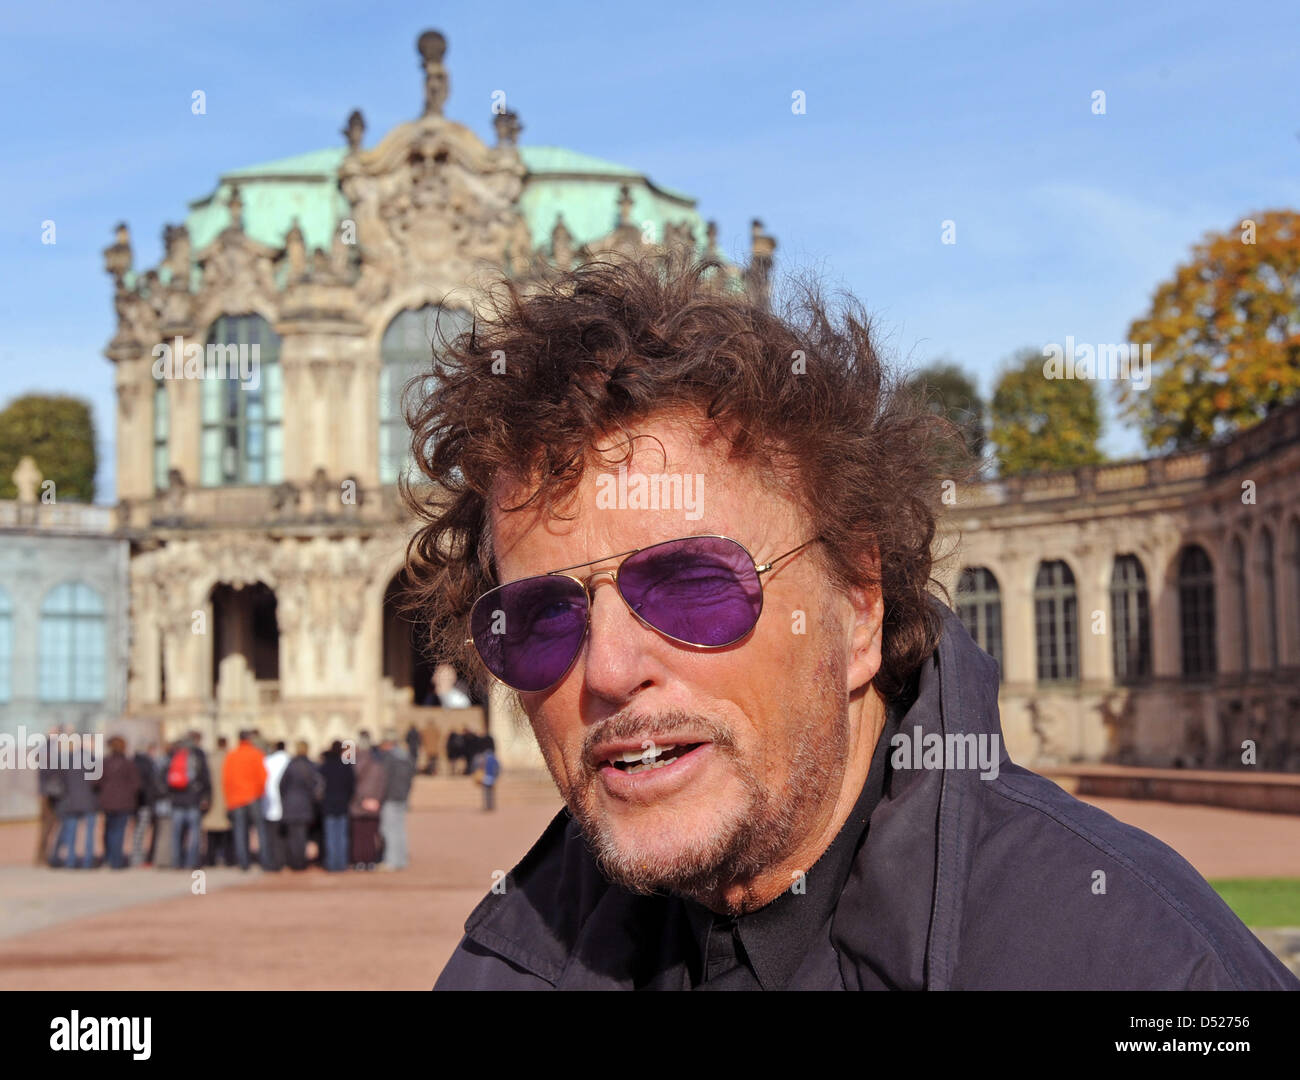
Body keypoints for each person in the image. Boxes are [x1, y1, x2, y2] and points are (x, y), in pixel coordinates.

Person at [420, 256, 1299, 990]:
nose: (608, 670)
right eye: (538, 619)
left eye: (690, 584)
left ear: (860, 602)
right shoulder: (500, 968)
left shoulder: (1143, 968)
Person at [51, 733, 97, 869]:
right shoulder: (91, 759)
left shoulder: (66, 760)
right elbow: (97, 781)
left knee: (71, 833)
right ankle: (88, 862)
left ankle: (70, 861)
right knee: (89, 834)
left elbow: (61, 782)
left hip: (70, 801)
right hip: (88, 801)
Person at [223, 729, 268, 871]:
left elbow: (226, 779)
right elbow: (263, 776)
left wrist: (230, 799)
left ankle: (243, 862)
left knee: (240, 831)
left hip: (236, 798)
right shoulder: (256, 754)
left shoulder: (232, 755)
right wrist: (259, 793)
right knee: (260, 830)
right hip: (253, 796)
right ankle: (265, 860)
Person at [167, 730, 211, 870]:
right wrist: (206, 797)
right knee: (194, 834)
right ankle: (191, 862)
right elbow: (205, 778)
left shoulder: (173, 754)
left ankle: (176, 861)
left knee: (176, 834)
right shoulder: (198, 754)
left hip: (177, 799)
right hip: (194, 799)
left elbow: (164, 776)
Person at [95, 736, 140, 870]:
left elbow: (96, 782)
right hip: (124, 803)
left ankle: (109, 858)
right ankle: (116, 860)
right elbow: (136, 784)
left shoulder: (104, 762)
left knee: (108, 831)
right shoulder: (128, 763)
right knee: (119, 831)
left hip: (107, 802)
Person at [279, 741, 323, 871]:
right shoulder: (311, 766)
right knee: (302, 835)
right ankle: (301, 861)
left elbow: (282, 785)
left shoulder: (291, 765)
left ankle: (294, 862)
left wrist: (285, 798)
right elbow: (316, 786)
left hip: (291, 805)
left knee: (293, 835)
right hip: (305, 805)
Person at [348, 733, 386, 870]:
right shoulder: (378, 764)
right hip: (373, 804)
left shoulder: (353, 762)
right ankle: (370, 861)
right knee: (370, 835)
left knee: (358, 835)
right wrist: (376, 800)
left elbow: (350, 784)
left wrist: (360, 800)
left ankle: (359, 861)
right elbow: (382, 784)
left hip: (357, 804)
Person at [379, 731, 415, 872]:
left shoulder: (389, 758)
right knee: (400, 830)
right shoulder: (406, 756)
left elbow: (384, 779)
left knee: (388, 830)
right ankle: (401, 859)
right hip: (402, 797)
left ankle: (392, 861)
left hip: (390, 797)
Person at [319, 741, 354, 872]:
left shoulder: (325, 766)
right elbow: (352, 786)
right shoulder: (346, 766)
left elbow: (319, 785)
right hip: (342, 804)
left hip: (328, 804)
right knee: (342, 836)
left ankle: (332, 863)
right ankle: (342, 863)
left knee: (330, 836)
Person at [34, 727, 65, 866]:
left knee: (50, 826)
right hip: (50, 795)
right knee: (48, 826)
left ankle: (44, 856)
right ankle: (43, 857)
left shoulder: (47, 752)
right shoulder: (49, 752)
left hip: (49, 794)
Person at [203, 736, 233, 866]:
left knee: (211, 832)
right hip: (226, 798)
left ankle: (210, 859)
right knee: (226, 832)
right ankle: (227, 858)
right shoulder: (229, 759)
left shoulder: (209, 759)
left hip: (211, 799)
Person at [261, 741, 290, 872]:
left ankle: (271, 861)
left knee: (271, 836)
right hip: (286, 804)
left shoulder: (267, 761)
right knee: (285, 836)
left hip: (269, 803)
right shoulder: (290, 761)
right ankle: (283, 860)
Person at [129, 741, 158, 867]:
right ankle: (140, 858)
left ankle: (136, 857)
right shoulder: (148, 764)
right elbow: (152, 785)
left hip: (133, 802)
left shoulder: (131, 762)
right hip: (146, 802)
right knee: (142, 831)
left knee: (137, 832)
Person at [151, 741, 174, 869]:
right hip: (170, 801)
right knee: (168, 831)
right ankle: (167, 859)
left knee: (162, 831)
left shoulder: (159, 762)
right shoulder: (171, 762)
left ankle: (160, 858)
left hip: (160, 802)